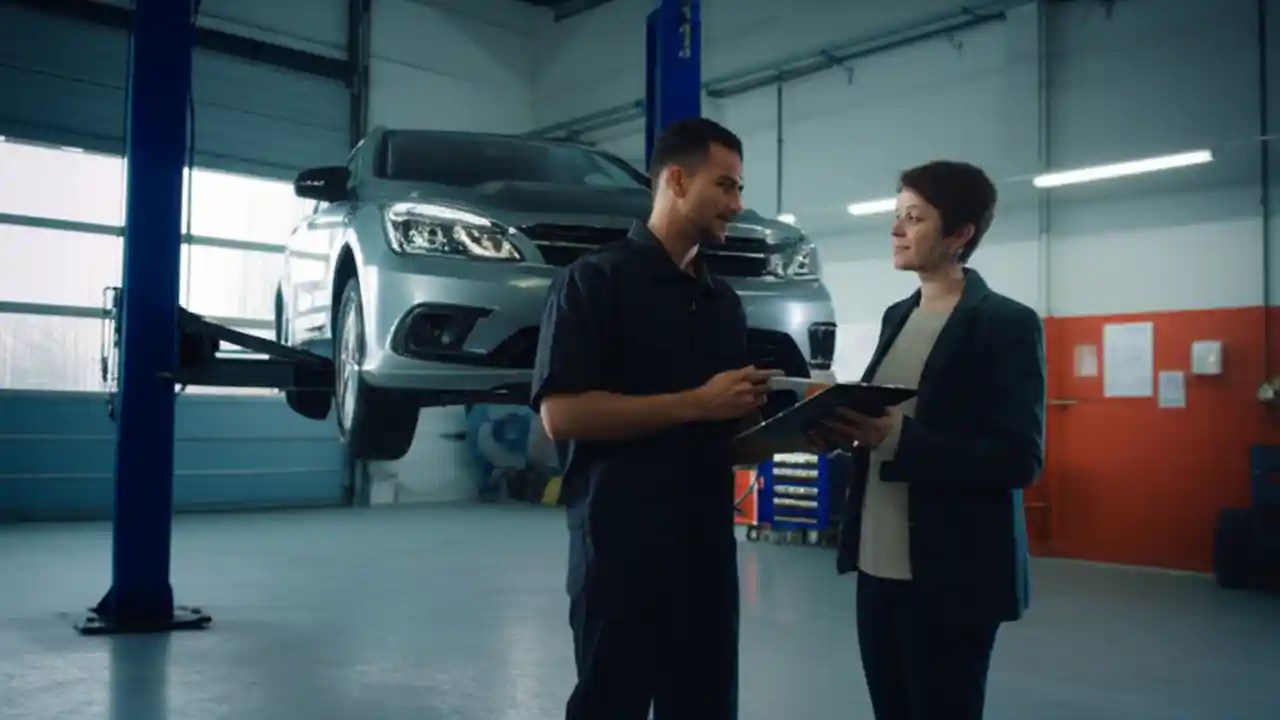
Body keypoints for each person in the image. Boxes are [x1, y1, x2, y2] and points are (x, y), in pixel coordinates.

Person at [530, 117, 777, 720]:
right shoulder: (593, 282)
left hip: (706, 550)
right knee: (610, 704)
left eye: (739, 189)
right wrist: (697, 401)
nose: (737, 205)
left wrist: (792, 435)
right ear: (675, 179)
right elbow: (561, 415)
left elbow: (723, 436)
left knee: (704, 705)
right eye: (725, 186)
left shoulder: (723, 304)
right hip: (620, 548)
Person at [818, 160, 1046, 720]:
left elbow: (1019, 459)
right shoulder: (898, 315)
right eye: (896, 217)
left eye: (914, 218)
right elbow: (881, 425)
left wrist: (898, 438)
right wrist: (838, 425)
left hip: (953, 578)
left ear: (960, 234)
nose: (895, 230)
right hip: (877, 564)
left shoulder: (1005, 323)